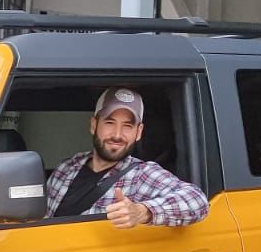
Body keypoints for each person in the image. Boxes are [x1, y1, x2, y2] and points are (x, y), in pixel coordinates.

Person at [45, 87, 209, 229]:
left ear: (138, 132)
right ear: (94, 125)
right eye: (109, 122)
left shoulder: (141, 175)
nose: (117, 135)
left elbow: (197, 202)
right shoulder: (67, 167)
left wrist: (142, 212)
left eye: (128, 126)